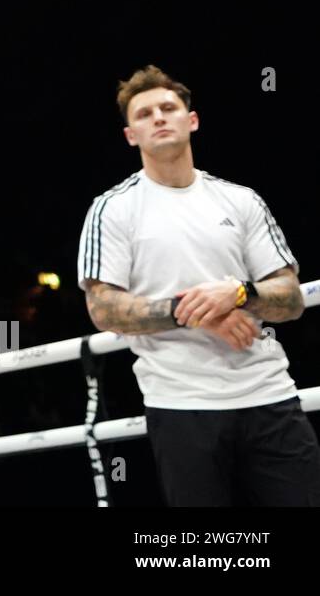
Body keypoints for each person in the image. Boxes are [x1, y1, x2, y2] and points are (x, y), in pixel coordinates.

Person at [77, 64, 320, 506]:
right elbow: (103, 309)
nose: (159, 118)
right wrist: (199, 313)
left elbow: (290, 297)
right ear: (131, 135)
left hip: (270, 395)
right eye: (145, 113)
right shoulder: (112, 210)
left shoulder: (241, 200)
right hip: (181, 404)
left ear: (192, 121)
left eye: (168, 107)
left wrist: (239, 293)